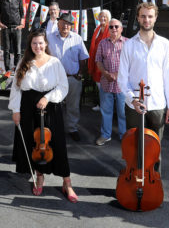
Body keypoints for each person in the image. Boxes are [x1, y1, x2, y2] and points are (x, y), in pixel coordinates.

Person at [9, 30, 77, 202]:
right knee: (35, 144)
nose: (37, 46)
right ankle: (39, 177)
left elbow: (63, 86)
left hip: (50, 107)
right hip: (28, 108)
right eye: (34, 43)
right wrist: (15, 110)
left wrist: (47, 98)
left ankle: (67, 182)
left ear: (46, 43)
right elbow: (16, 88)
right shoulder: (24, 62)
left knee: (57, 144)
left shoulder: (54, 62)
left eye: (40, 43)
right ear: (30, 45)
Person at [117, 3, 169, 161]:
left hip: (157, 104)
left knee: (155, 151)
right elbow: (122, 79)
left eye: (150, 16)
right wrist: (133, 99)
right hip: (134, 106)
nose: (146, 20)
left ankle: (154, 177)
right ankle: (134, 176)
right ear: (138, 18)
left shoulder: (164, 44)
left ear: (155, 18)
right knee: (135, 148)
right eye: (143, 16)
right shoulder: (129, 45)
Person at [47, 12, 89, 141]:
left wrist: (80, 74)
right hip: (55, 79)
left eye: (68, 24)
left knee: (73, 106)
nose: (65, 26)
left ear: (71, 26)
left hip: (73, 78)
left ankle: (72, 128)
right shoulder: (49, 37)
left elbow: (83, 58)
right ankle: (55, 129)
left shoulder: (77, 39)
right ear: (58, 23)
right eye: (63, 23)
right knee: (54, 105)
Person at [93, 18, 127, 145]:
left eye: (116, 26)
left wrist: (117, 75)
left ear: (121, 29)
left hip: (122, 85)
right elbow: (98, 60)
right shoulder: (102, 43)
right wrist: (106, 73)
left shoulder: (128, 43)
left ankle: (124, 136)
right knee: (106, 111)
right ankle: (105, 135)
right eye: (111, 27)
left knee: (122, 112)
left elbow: (131, 64)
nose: (114, 29)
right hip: (106, 82)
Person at [0, 0, 25, 71]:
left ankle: (17, 69)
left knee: (17, 50)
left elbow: (22, 14)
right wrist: (0, 23)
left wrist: (21, 25)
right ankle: (7, 70)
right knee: (6, 50)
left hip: (16, 27)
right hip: (6, 27)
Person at [87, 9, 111, 83]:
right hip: (96, 59)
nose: (102, 18)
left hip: (106, 61)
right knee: (98, 83)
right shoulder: (97, 29)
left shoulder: (111, 29)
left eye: (105, 17)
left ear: (108, 18)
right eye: (101, 16)